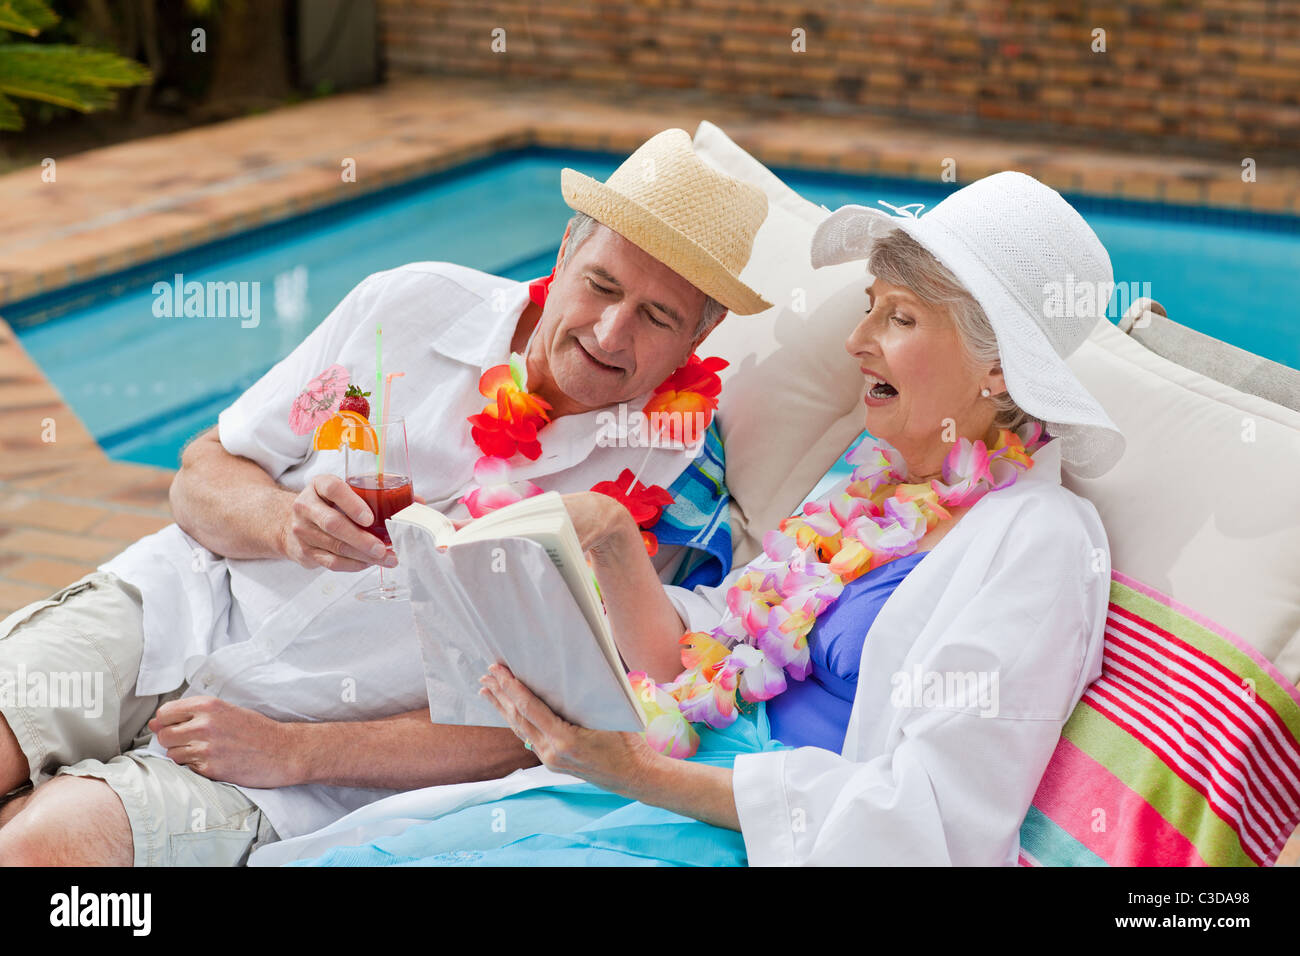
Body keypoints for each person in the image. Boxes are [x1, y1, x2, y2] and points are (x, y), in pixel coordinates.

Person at [278, 170, 1126, 867]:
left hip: (749, 835)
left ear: (1000, 375)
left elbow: (933, 825)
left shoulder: (1041, 542)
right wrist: (613, 542)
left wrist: (635, 774)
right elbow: (707, 657)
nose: (857, 341)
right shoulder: (867, 490)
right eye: (870, 304)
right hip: (675, 774)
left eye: (899, 318)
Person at [0, 128, 773, 866]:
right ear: (567, 249)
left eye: (657, 317)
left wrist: (298, 751)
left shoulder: (670, 483)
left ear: (700, 338)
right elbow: (201, 474)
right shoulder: (409, 307)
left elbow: (541, 723)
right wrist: (282, 523)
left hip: (306, 753)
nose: (609, 333)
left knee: (39, 846)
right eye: (601, 285)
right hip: (179, 609)